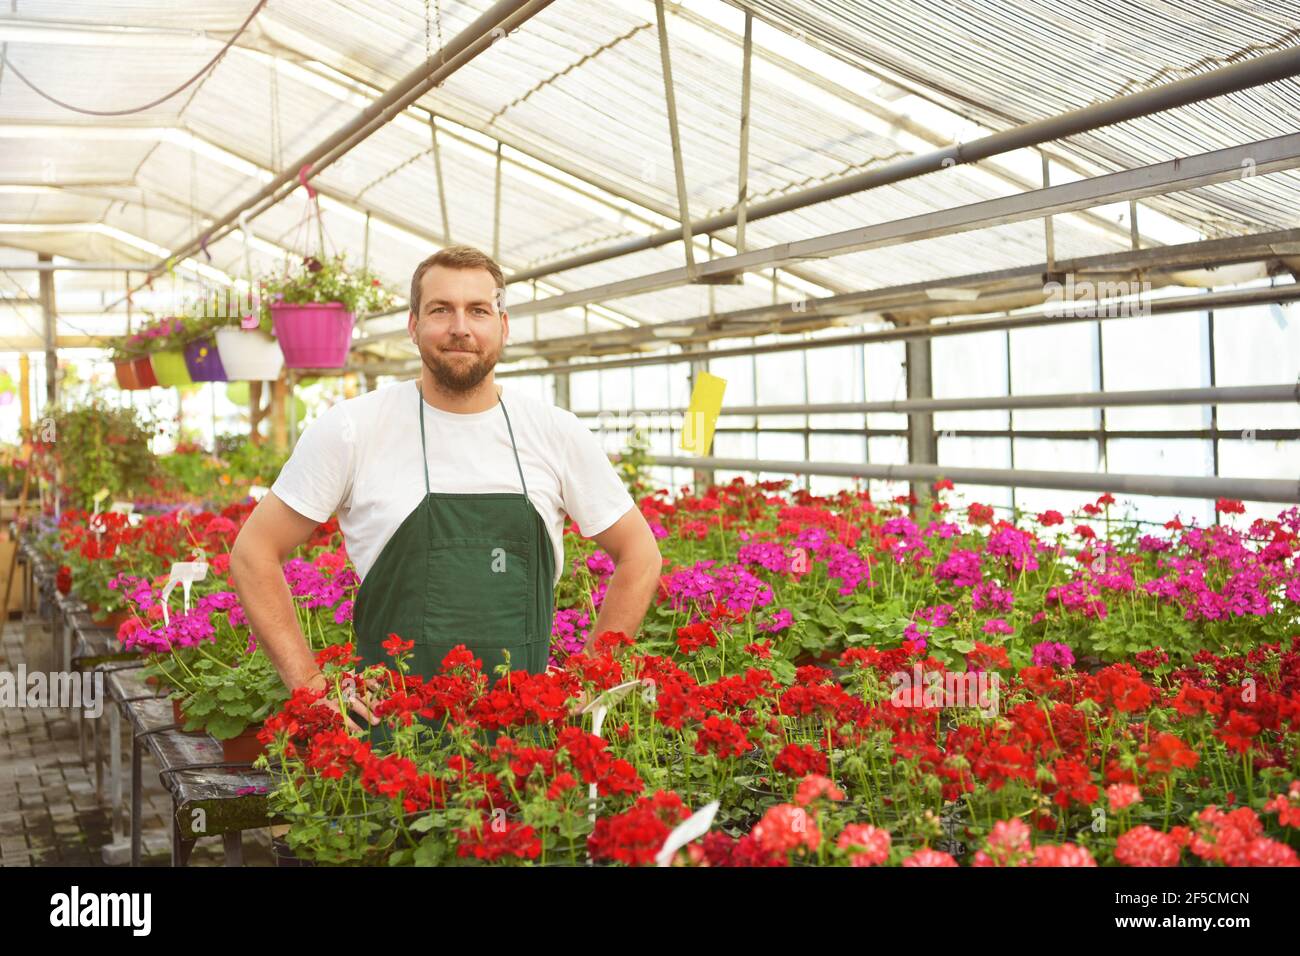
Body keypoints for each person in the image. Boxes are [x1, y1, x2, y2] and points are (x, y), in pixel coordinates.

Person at [230, 245, 662, 733]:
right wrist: (310, 688)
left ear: (503, 325)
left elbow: (639, 553)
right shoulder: (354, 429)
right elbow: (254, 552)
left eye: (478, 310)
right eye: (441, 310)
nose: (461, 326)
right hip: (394, 743)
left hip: (526, 746)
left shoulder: (554, 433)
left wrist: (589, 677)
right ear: (413, 326)